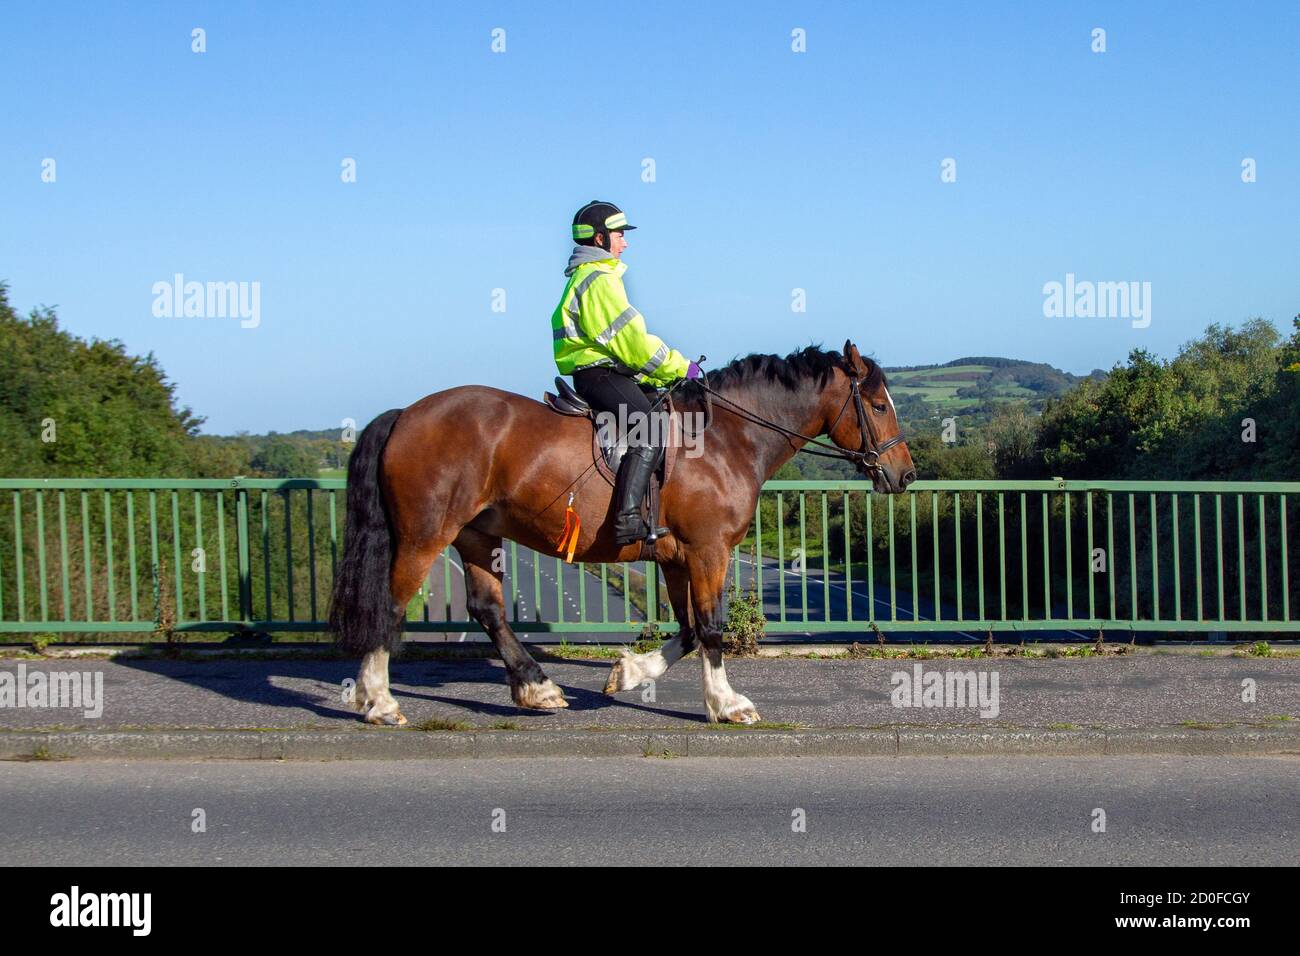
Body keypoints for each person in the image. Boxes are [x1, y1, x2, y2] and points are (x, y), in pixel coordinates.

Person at [551, 200, 703, 545]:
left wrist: (658, 378)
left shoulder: (590, 276)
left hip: (606, 372)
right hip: (600, 375)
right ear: (601, 239)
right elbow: (632, 344)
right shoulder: (600, 279)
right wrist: (682, 367)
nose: (625, 242)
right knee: (650, 429)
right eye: (620, 234)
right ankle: (627, 519)